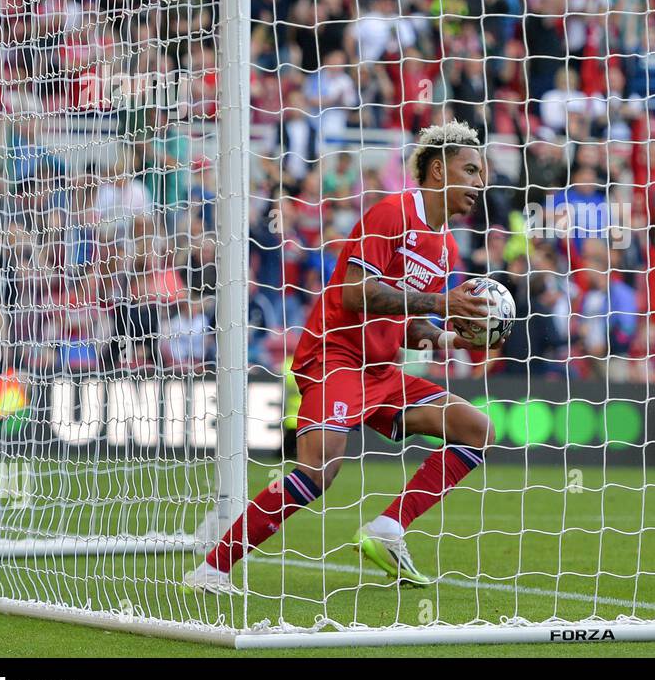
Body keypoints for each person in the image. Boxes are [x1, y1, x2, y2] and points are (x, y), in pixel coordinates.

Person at [185, 122, 493, 592]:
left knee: (476, 429)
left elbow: (406, 322)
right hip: (337, 355)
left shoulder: (447, 247)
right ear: (437, 169)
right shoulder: (392, 213)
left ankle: (389, 527)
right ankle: (212, 569)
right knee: (319, 468)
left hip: (381, 369)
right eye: (470, 170)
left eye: (481, 175)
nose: (478, 183)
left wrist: (454, 336)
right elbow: (355, 293)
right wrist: (440, 304)